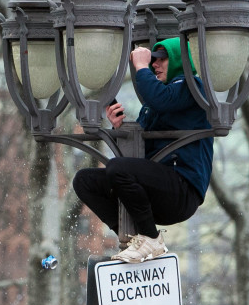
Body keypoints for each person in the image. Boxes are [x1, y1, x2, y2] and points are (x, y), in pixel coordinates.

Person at [71, 37, 213, 264]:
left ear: (179, 60)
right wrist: (118, 126)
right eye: (152, 61)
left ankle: (151, 238)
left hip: (182, 191)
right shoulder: (157, 104)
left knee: (117, 168)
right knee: (85, 180)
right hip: (156, 190)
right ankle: (131, 236)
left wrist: (140, 65)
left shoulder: (192, 86)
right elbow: (137, 152)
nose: (154, 64)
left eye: (160, 60)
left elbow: (161, 99)